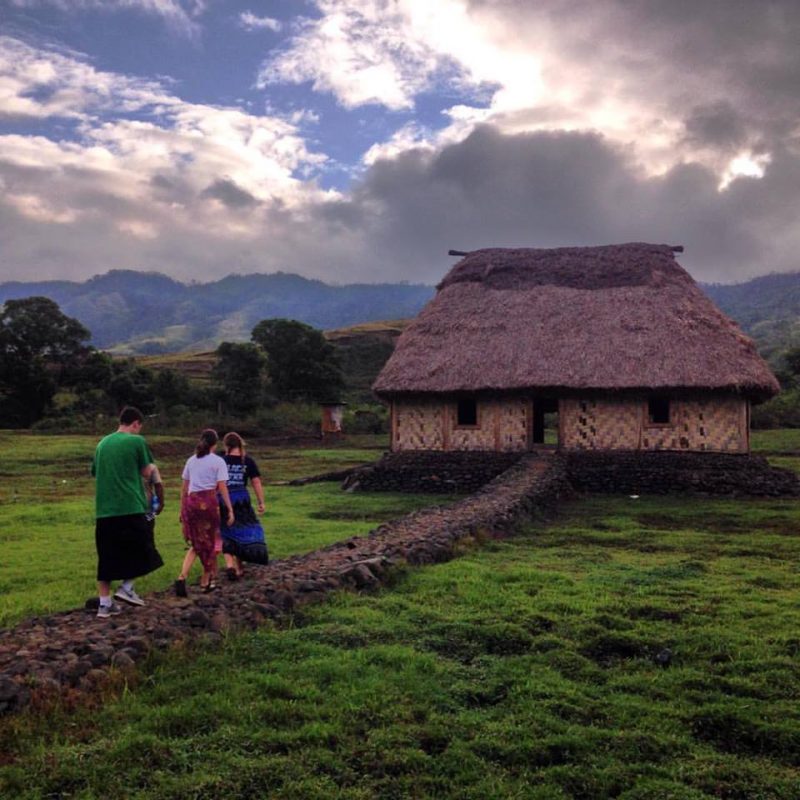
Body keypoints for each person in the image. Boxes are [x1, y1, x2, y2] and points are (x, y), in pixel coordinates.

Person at [91, 406, 164, 619]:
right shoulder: (136, 441)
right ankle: (127, 587)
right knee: (144, 548)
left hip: (104, 510)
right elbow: (145, 471)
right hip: (131, 506)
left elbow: (95, 472)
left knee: (107, 557)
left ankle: (104, 604)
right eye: (139, 427)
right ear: (135, 424)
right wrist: (152, 472)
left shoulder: (102, 443)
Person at [176, 429, 234, 596]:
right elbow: (222, 487)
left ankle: (183, 576)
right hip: (208, 503)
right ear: (215, 445)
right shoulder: (218, 462)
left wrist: (182, 509)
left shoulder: (191, 461)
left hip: (192, 503)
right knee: (210, 543)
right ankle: (205, 581)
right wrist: (229, 508)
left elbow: (184, 488)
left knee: (196, 543)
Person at [219, 432, 269, 580]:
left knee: (227, 531)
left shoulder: (222, 461)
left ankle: (230, 566)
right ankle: (240, 567)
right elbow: (256, 482)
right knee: (243, 530)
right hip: (242, 500)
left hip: (223, 499)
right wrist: (261, 501)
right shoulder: (248, 461)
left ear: (226, 446)